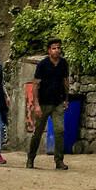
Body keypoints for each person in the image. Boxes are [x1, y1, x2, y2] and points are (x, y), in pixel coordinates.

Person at [27, 38, 70, 170]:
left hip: (57, 102)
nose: (56, 50)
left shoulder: (63, 64)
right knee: (38, 132)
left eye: (58, 48)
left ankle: (59, 161)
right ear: (49, 50)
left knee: (59, 130)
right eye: (54, 48)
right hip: (44, 103)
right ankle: (31, 158)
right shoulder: (42, 65)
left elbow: (65, 82)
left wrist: (66, 99)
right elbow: (35, 85)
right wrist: (36, 104)